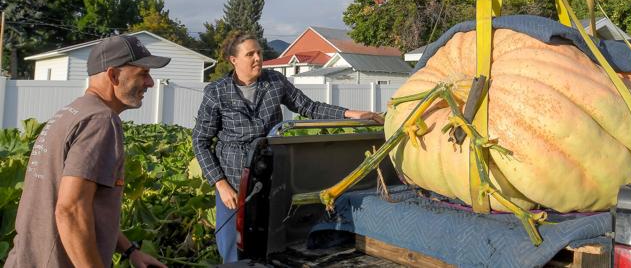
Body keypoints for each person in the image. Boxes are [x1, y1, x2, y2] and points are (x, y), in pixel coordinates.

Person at [192, 33, 384, 262]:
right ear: (234, 60)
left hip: (273, 175)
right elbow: (200, 141)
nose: (258, 58)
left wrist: (352, 114)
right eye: (250, 54)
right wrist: (220, 184)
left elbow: (309, 107)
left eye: (259, 52)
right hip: (234, 182)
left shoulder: (274, 82)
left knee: (273, 244)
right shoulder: (217, 92)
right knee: (234, 250)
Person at [5, 35, 170, 268]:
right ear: (113, 75)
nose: (151, 83)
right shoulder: (101, 121)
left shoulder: (74, 112)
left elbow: (87, 205)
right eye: (143, 73)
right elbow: (70, 210)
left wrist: (130, 250)